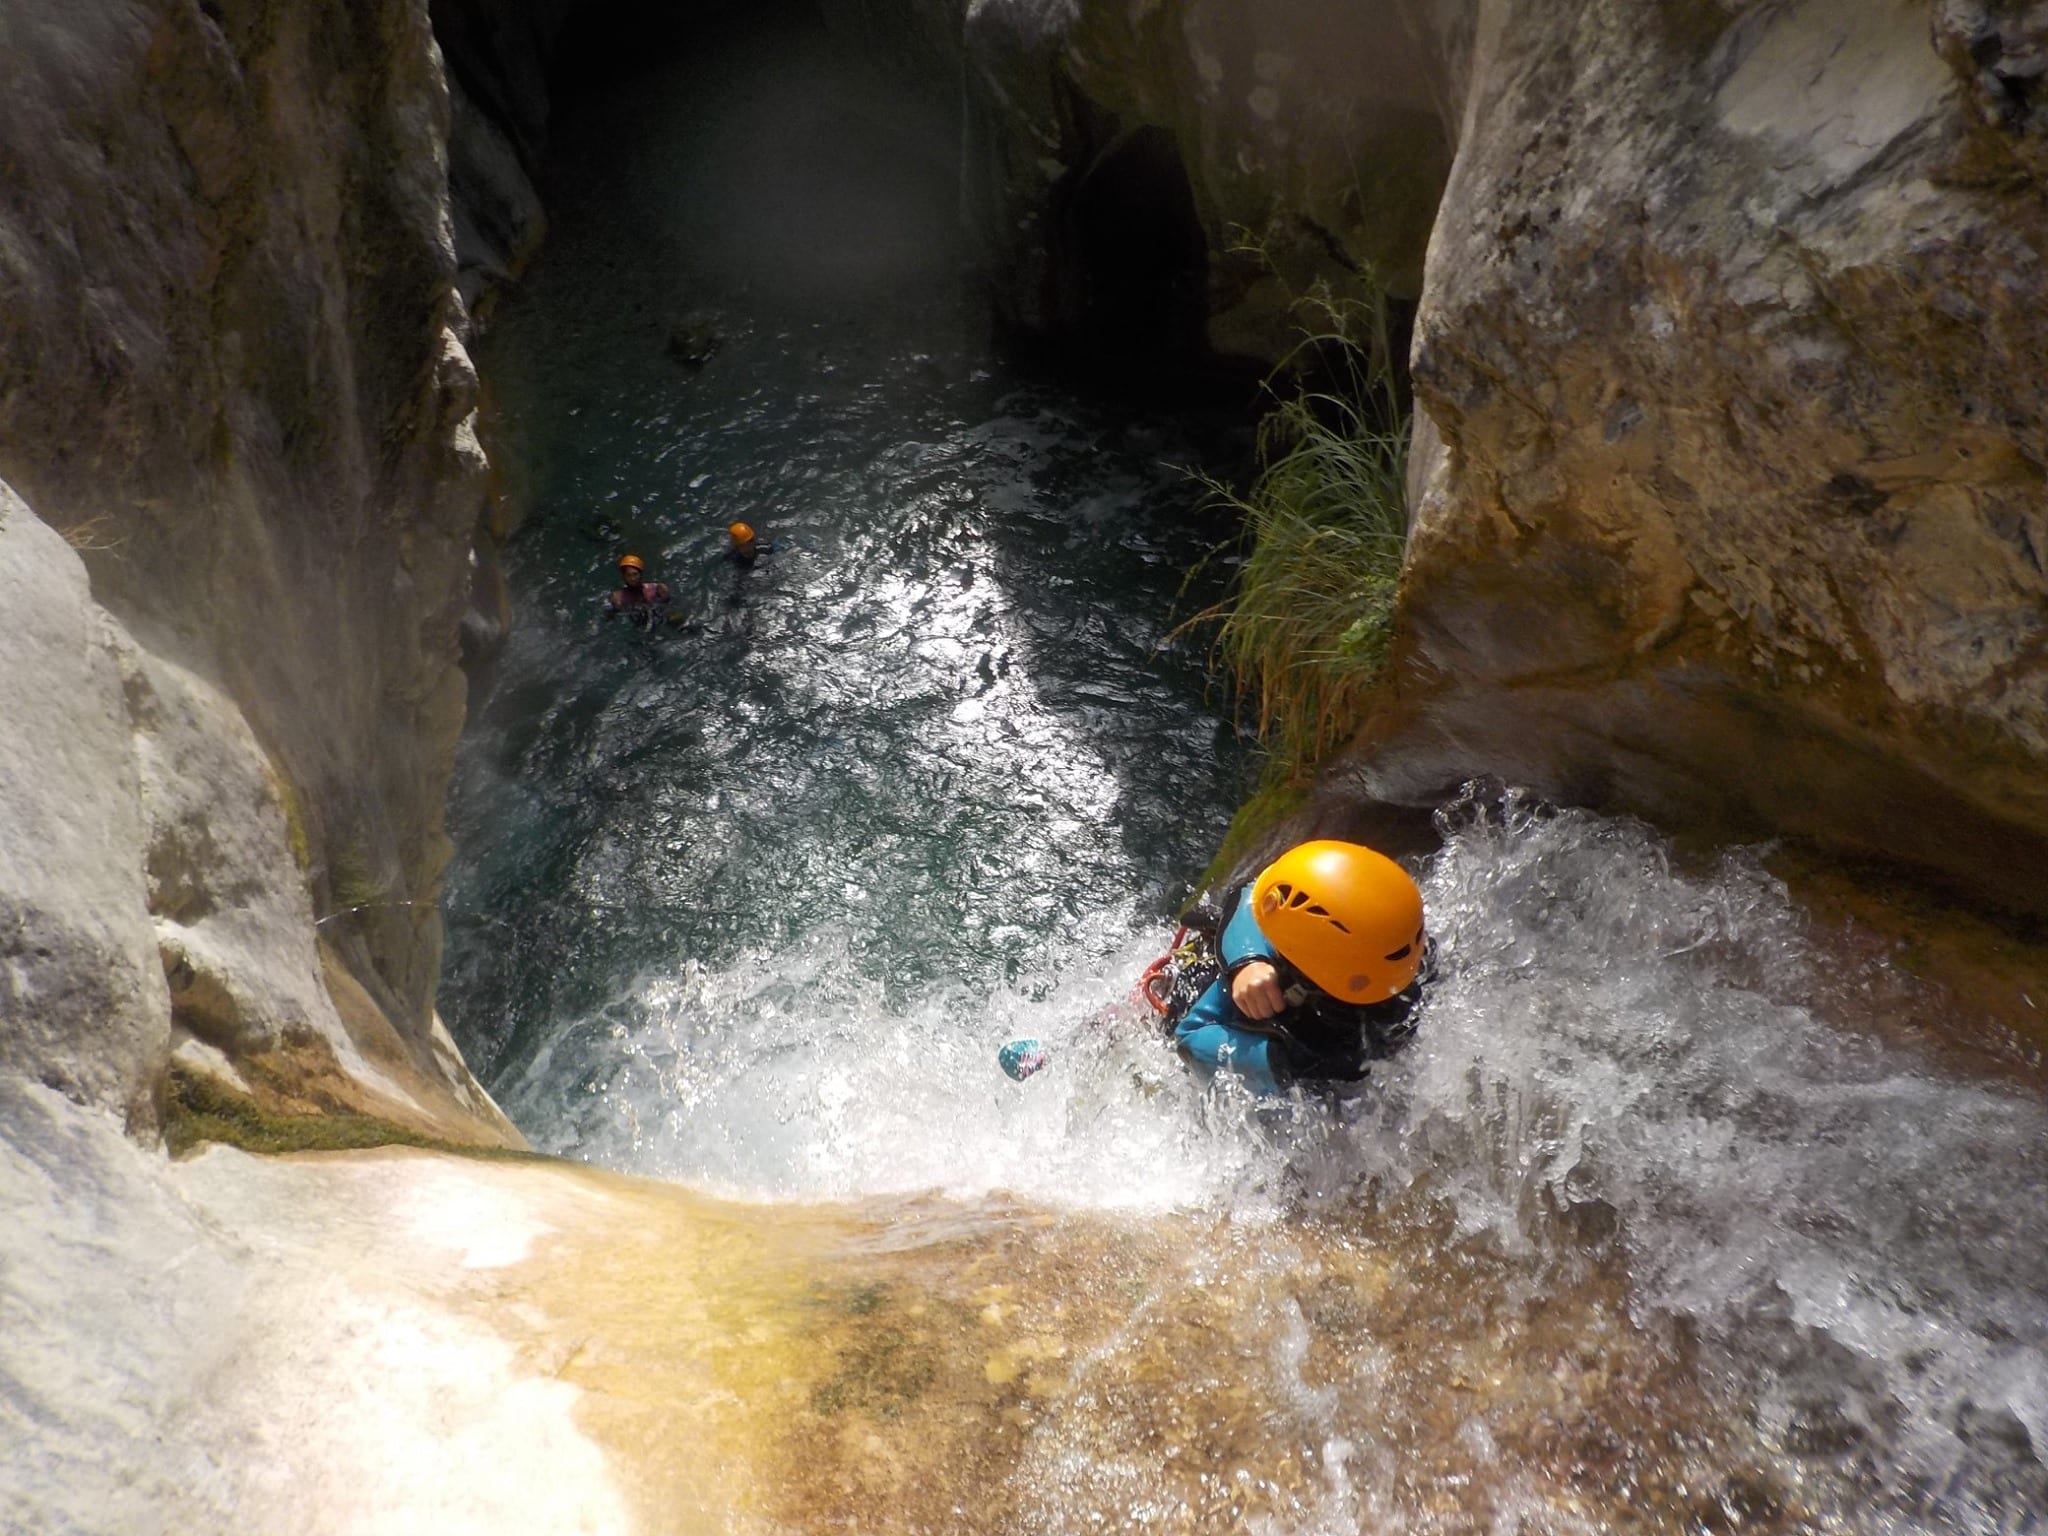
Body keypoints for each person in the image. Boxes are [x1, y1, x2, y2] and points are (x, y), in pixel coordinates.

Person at [1155, 840, 1433, 1096]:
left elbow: (1189, 1038)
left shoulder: (1302, 1056)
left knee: (1192, 988)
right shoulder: (1402, 959)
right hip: (1324, 1016)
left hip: (1281, 1075)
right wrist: (1249, 963)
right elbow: (1249, 891)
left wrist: (1241, 967)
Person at [602, 553, 671, 626]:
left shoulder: (658, 589)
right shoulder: (618, 598)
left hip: (660, 618)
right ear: (624, 577)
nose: (632, 579)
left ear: (640, 574)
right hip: (638, 623)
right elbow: (610, 619)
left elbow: (670, 607)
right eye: (628, 575)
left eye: (635, 574)